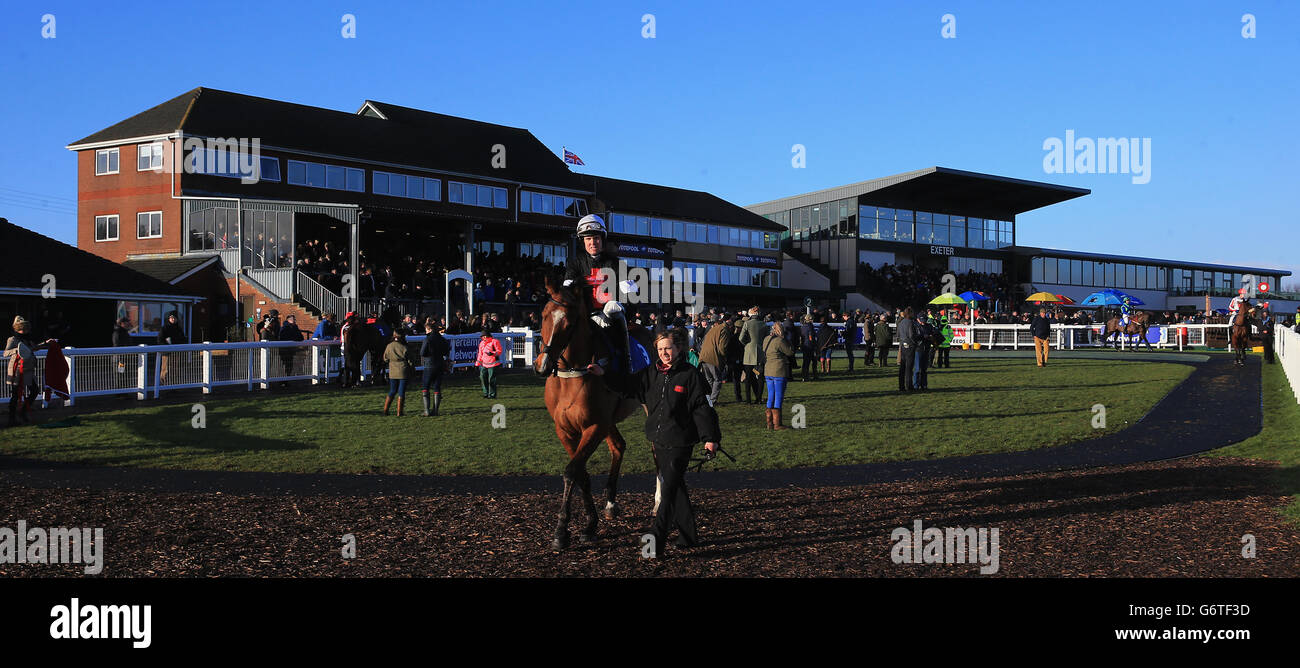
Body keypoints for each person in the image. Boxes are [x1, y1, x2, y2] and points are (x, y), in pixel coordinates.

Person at [633, 328, 720, 557]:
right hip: (659, 440)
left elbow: (702, 407)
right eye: (660, 349)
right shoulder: (652, 373)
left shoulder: (690, 374)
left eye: (668, 348)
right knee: (676, 487)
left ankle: (654, 543)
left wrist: (710, 438)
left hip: (681, 442)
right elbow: (628, 385)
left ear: (678, 348)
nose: (664, 353)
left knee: (668, 492)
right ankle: (688, 537)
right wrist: (602, 373)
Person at [563, 214, 637, 390]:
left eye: (596, 238)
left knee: (620, 329)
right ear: (583, 241)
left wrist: (615, 307)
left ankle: (627, 370)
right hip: (585, 316)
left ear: (602, 239)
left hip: (610, 316)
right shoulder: (575, 265)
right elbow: (566, 293)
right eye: (588, 239)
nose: (592, 242)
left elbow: (632, 294)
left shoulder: (617, 264)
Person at [5, 316, 53, 427]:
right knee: (15, 395)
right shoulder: (12, 339)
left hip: (28, 369)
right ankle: (11, 419)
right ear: (17, 329)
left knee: (35, 390)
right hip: (16, 370)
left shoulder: (27, 339)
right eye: (23, 328)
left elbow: (34, 348)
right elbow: (5, 353)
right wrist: (17, 350)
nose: (25, 330)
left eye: (26, 328)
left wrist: (46, 343)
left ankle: (22, 412)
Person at [762, 322, 795, 430]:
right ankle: (777, 424)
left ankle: (769, 423)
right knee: (779, 396)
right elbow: (790, 352)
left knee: (771, 395)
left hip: (768, 370)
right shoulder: (780, 341)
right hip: (779, 370)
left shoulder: (766, 339)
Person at [381, 331, 419, 416]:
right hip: (403, 370)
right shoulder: (404, 347)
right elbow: (410, 360)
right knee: (401, 392)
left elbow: (385, 358)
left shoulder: (389, 346)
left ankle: (385, 410)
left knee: (392, 391)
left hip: (392, 371)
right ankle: (399, 412)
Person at [419, 318, 452, 416]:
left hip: (429, 364)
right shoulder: (442, 339)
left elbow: (422, 352)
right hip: (440, 364)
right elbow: (446, 351)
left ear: (429, 330)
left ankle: (426, 410)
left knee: (426, 387)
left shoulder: (427, 339)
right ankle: (435, 410)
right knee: (437, 387)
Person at [696, 314, 730, 406]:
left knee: (709, 379)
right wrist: (724, 358)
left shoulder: (713, 329)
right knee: (717, 379)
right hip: (712, 357)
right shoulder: (724, 329)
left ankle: (709, 400)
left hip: (703, 356)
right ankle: (712, 400)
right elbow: (722, 348)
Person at [738, 306, 766, 403]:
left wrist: (747, 345)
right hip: (760, 353)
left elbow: (741, 338)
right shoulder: (763, 324)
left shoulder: (747, 323)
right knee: (760, 377)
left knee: (748, 377)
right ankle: (758, 398)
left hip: (749, 353)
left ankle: (748, 399)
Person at [475, 330, 503, 399]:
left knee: (491, 380)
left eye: (485, 336)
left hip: (493, 364)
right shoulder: (481, 343)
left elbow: (499, 351)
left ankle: (492, 394)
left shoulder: (495, 341)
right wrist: (477, 363)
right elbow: (480, 354)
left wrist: (492, 353)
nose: (484, 338)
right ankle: (486, 393)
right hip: (484, 364)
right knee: (483, 378)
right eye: (482, 336)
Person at [277, 314, 304, 385]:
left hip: (291, 350)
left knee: (289, 365)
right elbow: (284, 337)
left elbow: (301, 338)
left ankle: (286, 380)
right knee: (284, 365)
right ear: (288, 320)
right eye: (293, 319)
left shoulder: (295, 327)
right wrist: (294, 337)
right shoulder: (284, 328)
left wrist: (294, 337)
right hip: (284, 350)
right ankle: (282, 381)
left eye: (295, 319)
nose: (295, 321)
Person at [896, 307, 916, 392]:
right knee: (909, 367)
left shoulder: (900, 323)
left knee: (902, 367)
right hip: (910, 345)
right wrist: (915, 342)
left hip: (903, 345)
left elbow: (898, 335)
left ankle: (901, 386)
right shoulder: (910, 322)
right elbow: (911, 335)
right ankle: (909, 386)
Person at [798, 314, 818, 381]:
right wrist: (814, 345)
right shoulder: (810, 327)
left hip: (805, 346)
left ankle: (804, 376)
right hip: (810, 346)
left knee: (805, 362)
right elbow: (811, 337)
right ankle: (813, 375)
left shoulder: (803, 327)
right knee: (813, 361)